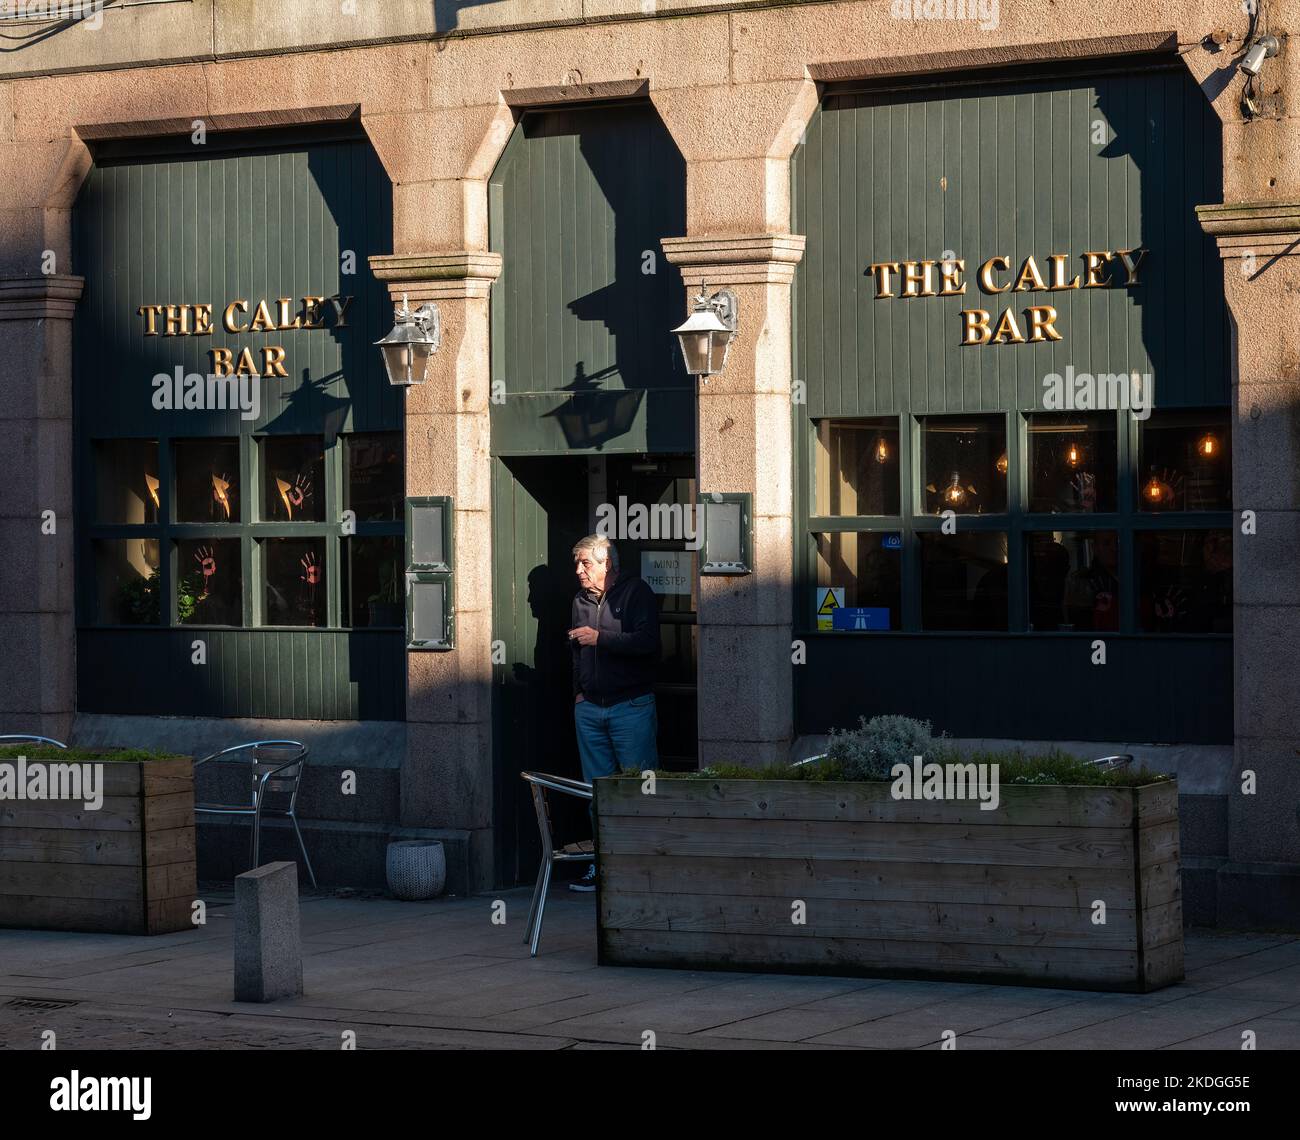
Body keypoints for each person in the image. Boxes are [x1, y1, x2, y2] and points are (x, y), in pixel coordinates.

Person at [567, 534, 660, 891]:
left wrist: (601, 638)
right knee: (597, 794)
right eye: (577, 564)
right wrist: (578, 693)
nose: (579, 571)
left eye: (585, 563)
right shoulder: (580, 600)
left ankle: (643, 871)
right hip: (591, 709)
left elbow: (649, 642)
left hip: (630, 707)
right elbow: (574, 651)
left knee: (639, 790)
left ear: (607, 563)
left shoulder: (637, 593)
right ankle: (603, 868)